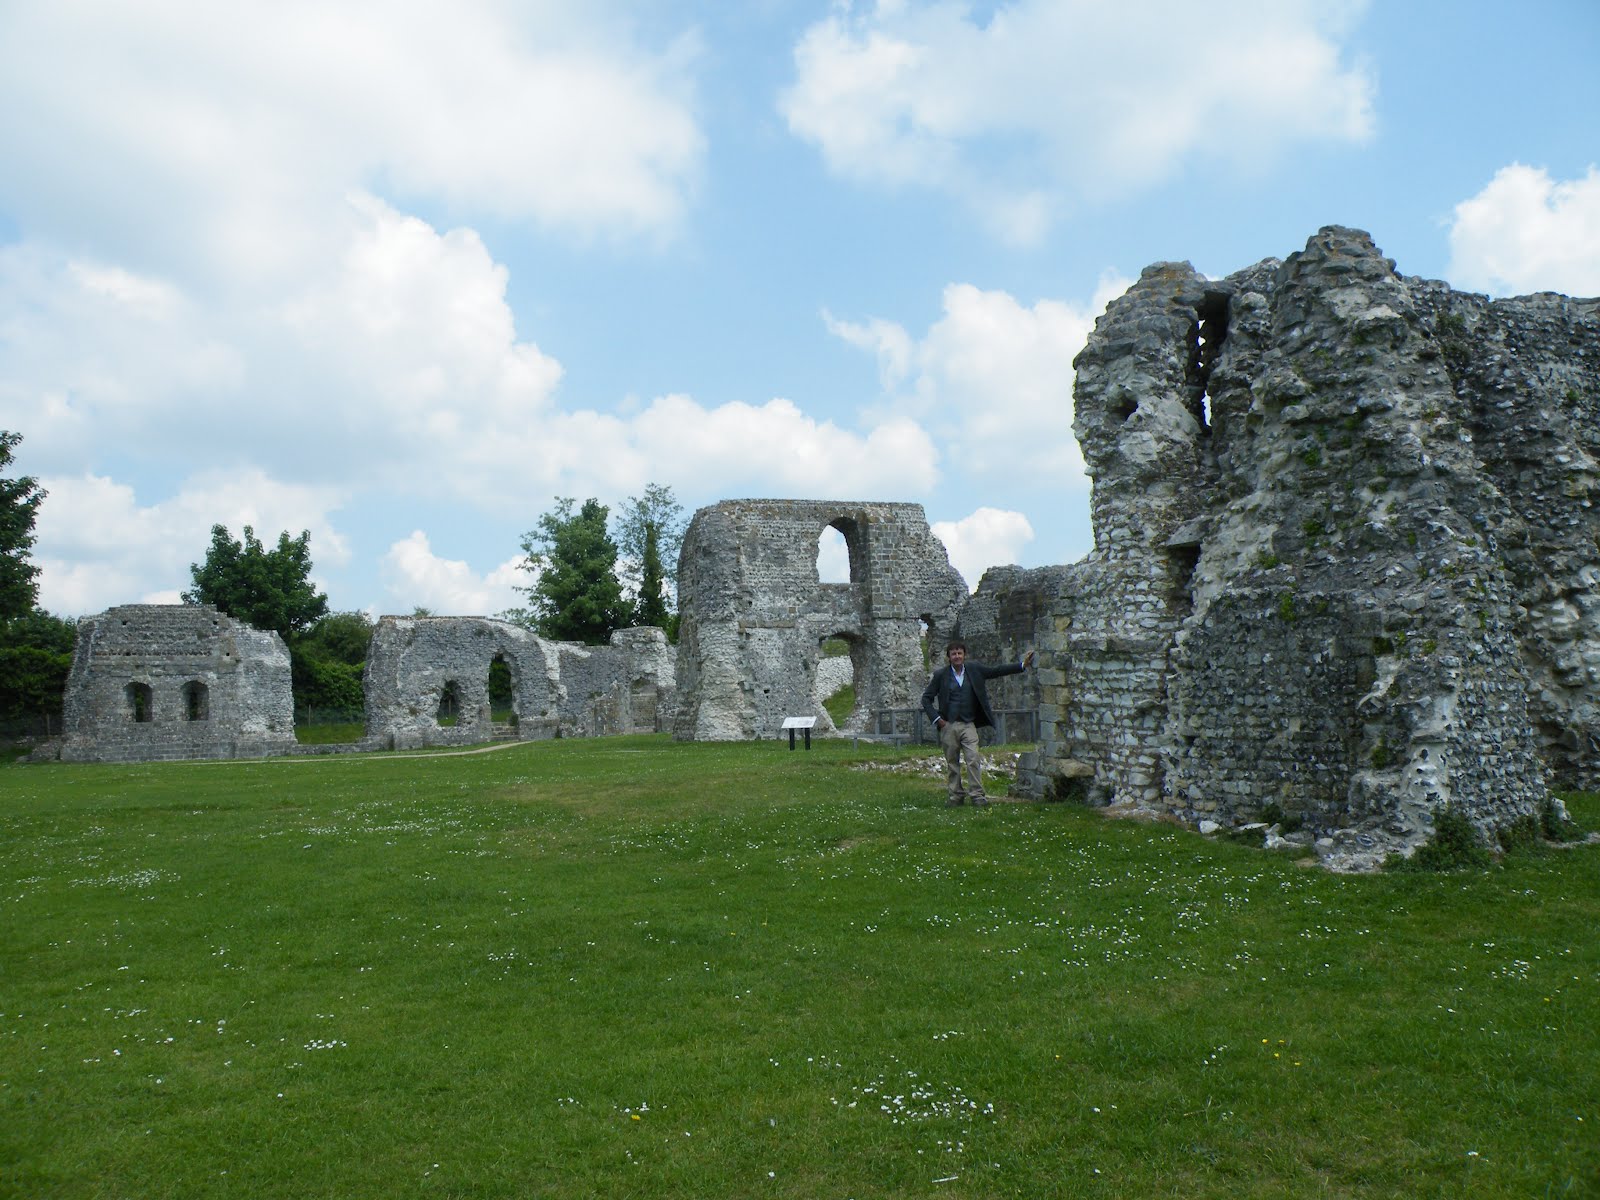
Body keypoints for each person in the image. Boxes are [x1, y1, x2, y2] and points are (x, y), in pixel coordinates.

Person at [920, 639, 1035, 807]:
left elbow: (996, 671)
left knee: (973, 758)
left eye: (959, 653)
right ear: (948, 657)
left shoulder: (974, 669)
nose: (957, 656)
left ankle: (977, 796)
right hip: (949, 725)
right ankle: (955, 797)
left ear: (964, 655)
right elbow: (926, 699)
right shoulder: (941, 675)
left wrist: (1022, 665)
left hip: (968, 724)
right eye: (953, 654)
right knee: (952, 763)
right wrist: (938, 720)